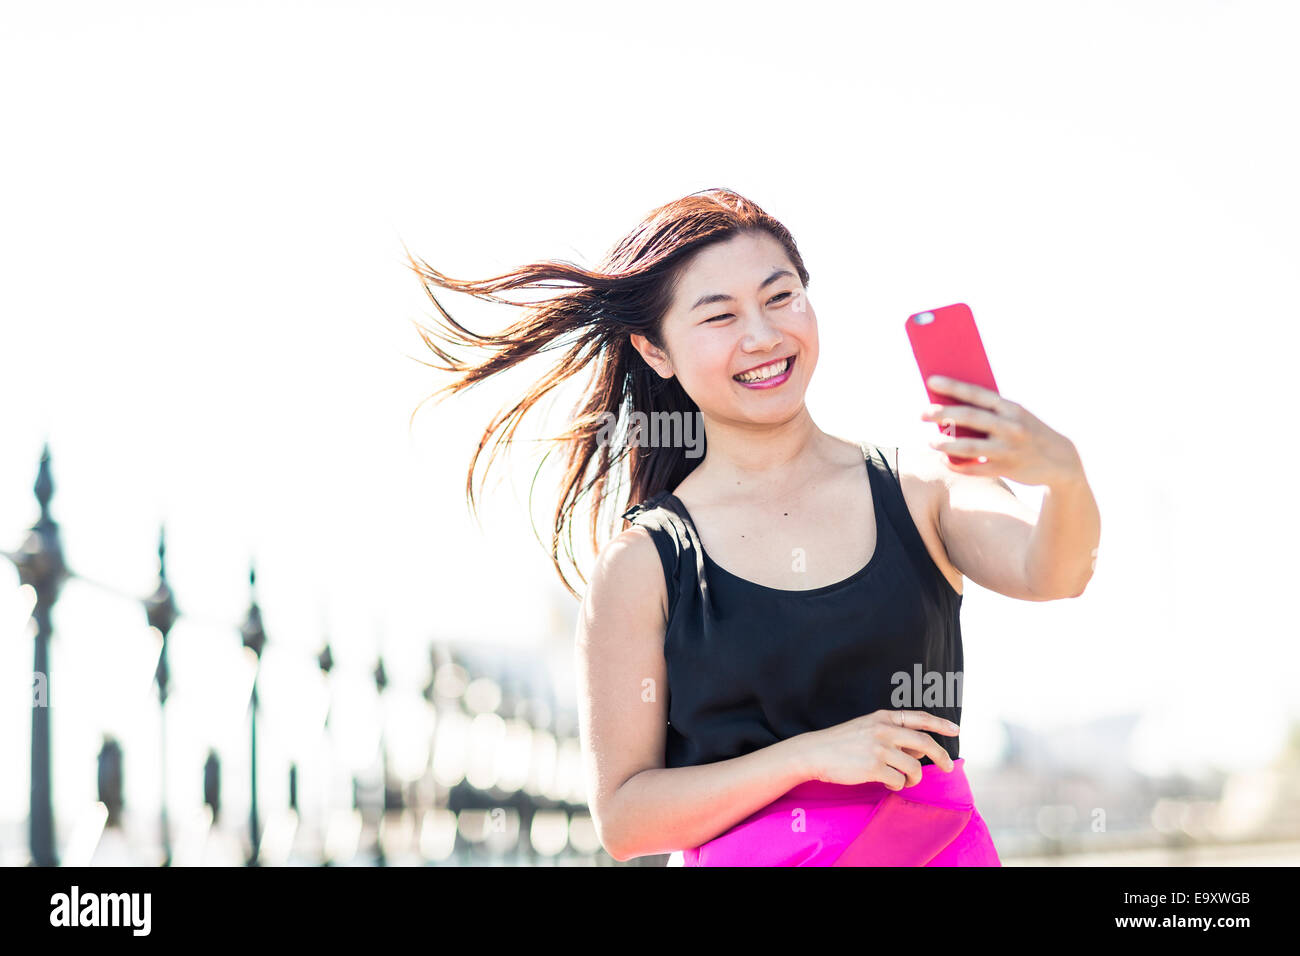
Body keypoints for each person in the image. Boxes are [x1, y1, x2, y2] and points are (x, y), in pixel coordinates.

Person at [405, 187, 1101, 866]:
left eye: (780, 297)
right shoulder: (644, 563)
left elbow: (1055, 573)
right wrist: (805, 758)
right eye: (720, 316)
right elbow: (623, 819)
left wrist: (1063, 477)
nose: (763, 336)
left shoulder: (924, 487)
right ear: (656, 351)